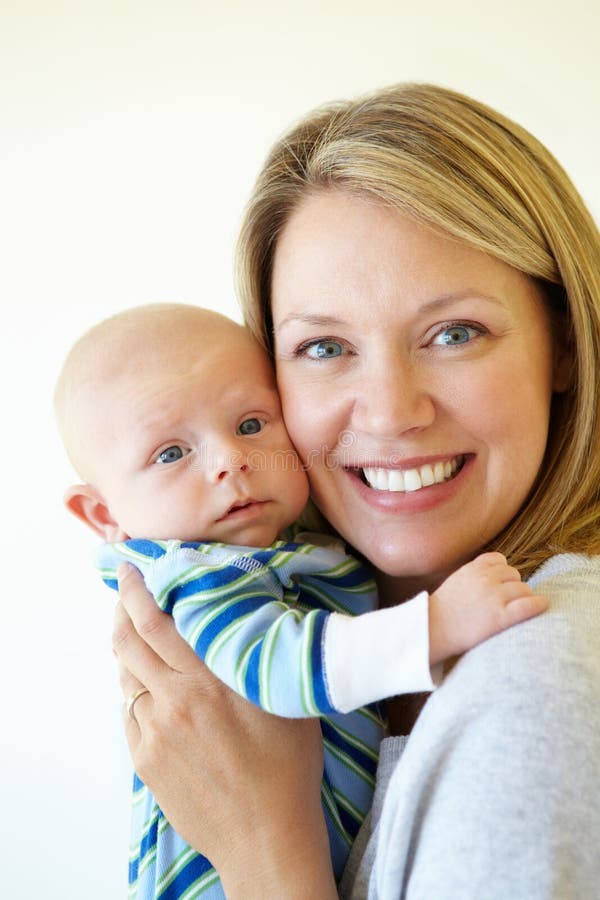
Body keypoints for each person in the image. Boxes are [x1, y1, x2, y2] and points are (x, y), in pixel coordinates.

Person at [110, 82, 600, 899]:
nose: (390, 412)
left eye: (454, 333)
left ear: (565, 349)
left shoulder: (541, 676)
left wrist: (265, 846)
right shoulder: (300, 615)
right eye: (325, 347)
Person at [55, 302, 543, 898]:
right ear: (103, 513)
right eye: (171, 454)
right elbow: (278, 668)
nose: (231, 460)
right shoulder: (197, 573)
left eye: (252, 424)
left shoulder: (282, 547)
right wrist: (436, 625)